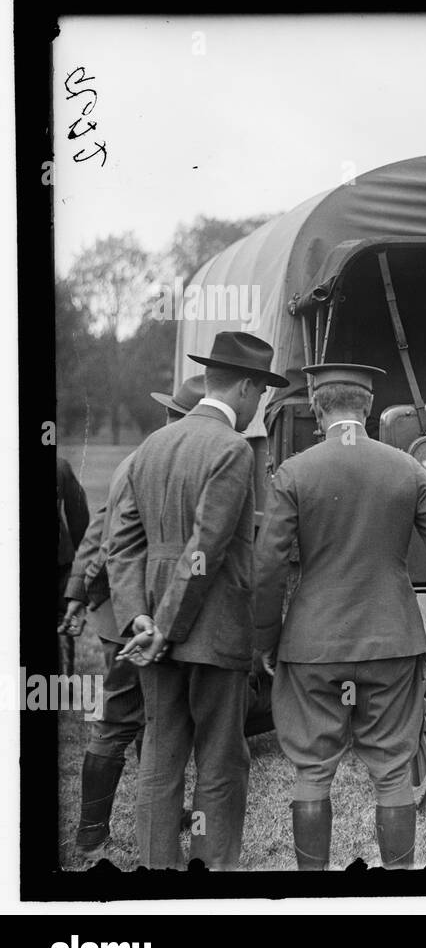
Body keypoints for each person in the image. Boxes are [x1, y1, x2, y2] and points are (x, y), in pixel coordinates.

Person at [253, 363, 426, 870]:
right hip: (393, 639)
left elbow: (267, 566)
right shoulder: (408, 469)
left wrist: (265, 639)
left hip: (312, 644)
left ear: (315, 403)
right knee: (394, 772)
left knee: (312, 771)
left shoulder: (294, 473)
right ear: (369, 406)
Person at [109, 331, 286, 870]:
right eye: (261, 394)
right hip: (213, 635)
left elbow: (123, 546)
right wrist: (165, 626)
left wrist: (141, 619)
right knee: (220, 765)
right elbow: (204, 549)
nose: (259, 407)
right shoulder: (231, 450)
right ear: (247, 387)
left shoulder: (150, 448)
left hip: (151, 634)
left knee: (160, 762)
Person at [59, 375, 206, 854]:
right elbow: (109, 539)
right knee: (121, 719)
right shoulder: (153, 462)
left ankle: (161, 811)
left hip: (128, 613)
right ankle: (91, 833)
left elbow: (97, 526)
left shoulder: (138, 457)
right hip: (131, 616)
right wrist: (85, 594)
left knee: (151, 716)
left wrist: (79, 591)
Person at [56, 456, 90, 676]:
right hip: (60, 557)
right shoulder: (59, 465)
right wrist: (81, 553)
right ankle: (63, 681)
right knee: (63, 620)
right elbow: (78, 514)